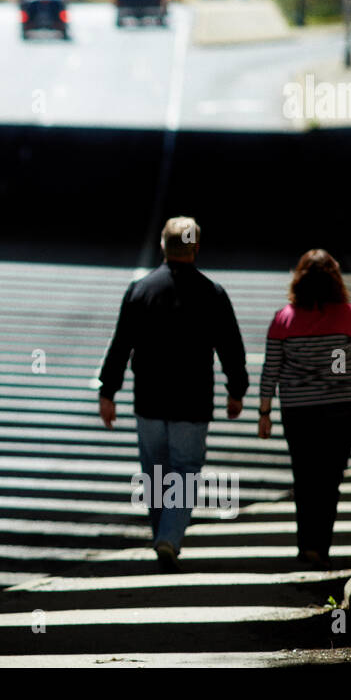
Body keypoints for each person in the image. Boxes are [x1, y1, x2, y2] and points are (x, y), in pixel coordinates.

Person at [98, 217, 249, 572]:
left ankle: (163, 534)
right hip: (192, 403)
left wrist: (108, 392)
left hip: (148, 401)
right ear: (196, 248)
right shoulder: (213, 294)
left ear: (163, 247)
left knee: (155, 475)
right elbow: (231, 347)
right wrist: (236, 390)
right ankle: (169, 536)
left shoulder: (140, 290)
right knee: (185, 470)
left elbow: (121, 345)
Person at [257, 249, 351, 570]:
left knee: (305, 478)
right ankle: (320, 547)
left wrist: (264, 412)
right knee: (329, 478)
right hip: (342, 410)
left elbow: (271, 369)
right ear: (336, 280)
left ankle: (306, 545)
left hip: (300, 412)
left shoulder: (284, 319)